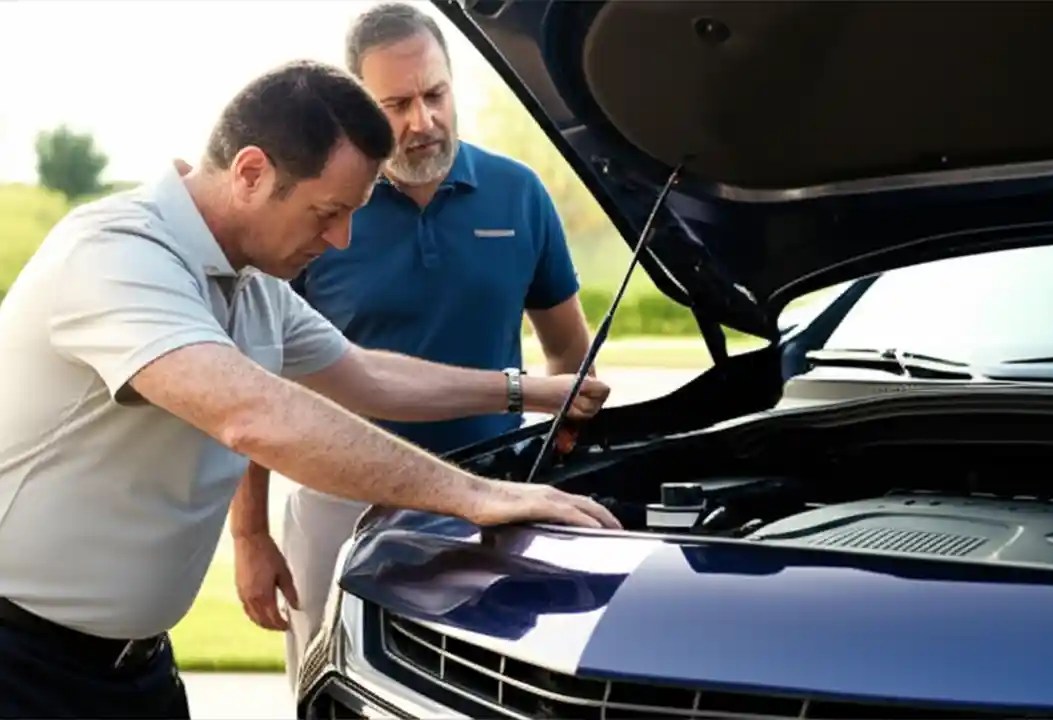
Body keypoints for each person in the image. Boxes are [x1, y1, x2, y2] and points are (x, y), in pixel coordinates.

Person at [0, 59, 617, 719]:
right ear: (251, 172)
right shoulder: (116, 257)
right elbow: (254, 417)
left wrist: (534, 391)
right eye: (328, 212)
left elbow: (368, 376)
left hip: (135, 667)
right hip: (21, 666)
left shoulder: (252, 286)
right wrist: (478, 496)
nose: (342, 238)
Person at [227, 2, 599, 690]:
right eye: (395, 104)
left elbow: (569, 359)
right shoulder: (319, 212)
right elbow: (256, 381)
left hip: (493, 498)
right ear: (357, 111)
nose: (421, 122)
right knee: (333, 687)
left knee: (480, 692)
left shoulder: (520, 195)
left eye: (434, 95)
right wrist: (250, 535)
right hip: (338, 506)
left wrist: (569, 431)